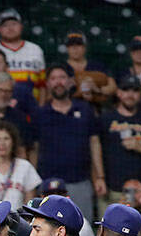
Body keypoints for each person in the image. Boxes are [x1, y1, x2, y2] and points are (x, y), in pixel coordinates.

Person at [34, 65, 105, 222]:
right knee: (49, 233)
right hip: (48, 186)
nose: (58, 82)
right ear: (47, 84)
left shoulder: (86, 110)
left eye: (62, 77)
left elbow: (94, 143)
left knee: (82, 231)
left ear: (71, 82)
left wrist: (99, 177)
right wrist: (33, 182)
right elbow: (34, 149)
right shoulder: (40, 114)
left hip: (80, 182)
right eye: (53, 78)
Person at [99, 75, 141, 195]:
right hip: (113, 190)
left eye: (135, 90)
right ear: (118, 93)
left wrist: (139, 147)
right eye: (126, 90)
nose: (130, 95)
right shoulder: (105, 119)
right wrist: (99, 178)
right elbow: (96, 151)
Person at [0, 8, 44, 95]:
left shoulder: (35, 50)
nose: (10, 28)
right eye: (5, 25)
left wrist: (39, 108)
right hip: (0, 104)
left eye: (14, 24)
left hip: (31, 106)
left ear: (21, 26)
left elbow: (43, 86)